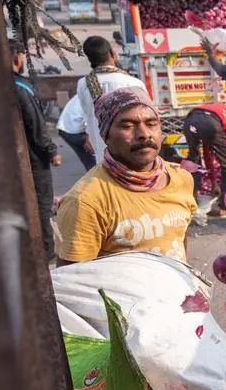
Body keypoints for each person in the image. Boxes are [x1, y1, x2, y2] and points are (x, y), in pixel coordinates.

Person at [55, 87, 197, 265]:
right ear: (106, 136)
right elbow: (72, 282)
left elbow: (179, 241)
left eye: (152, 123)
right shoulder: (85, 201)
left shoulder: (181, 178)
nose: (144, 134)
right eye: (127, 126)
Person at [11, 40, 63, 259]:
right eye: (22, 55)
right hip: (33, 159)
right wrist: (51, 151)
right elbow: (36, 125)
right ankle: (47, 254)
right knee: (42, 206)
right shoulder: (21, 87)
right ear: (16, 57)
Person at [76, 35, 147, 161]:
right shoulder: (134, 83)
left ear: (90, 59)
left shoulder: (83, 84)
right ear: (112, 53)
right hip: (133, 153)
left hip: (102, 156)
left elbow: (87, 116)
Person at [182, 104, 226, 216]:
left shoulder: (222, 113)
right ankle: (224, 207)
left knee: (193, 159)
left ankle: (191, 201)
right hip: (210, 124)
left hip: (189, 122)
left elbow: (208, 155)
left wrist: (213, 183)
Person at [58, 94, 97, 171]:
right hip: (75, 128)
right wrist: (90, 136)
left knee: (92, 164)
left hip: (67, 126)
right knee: (97, 163)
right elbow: (91, 114)